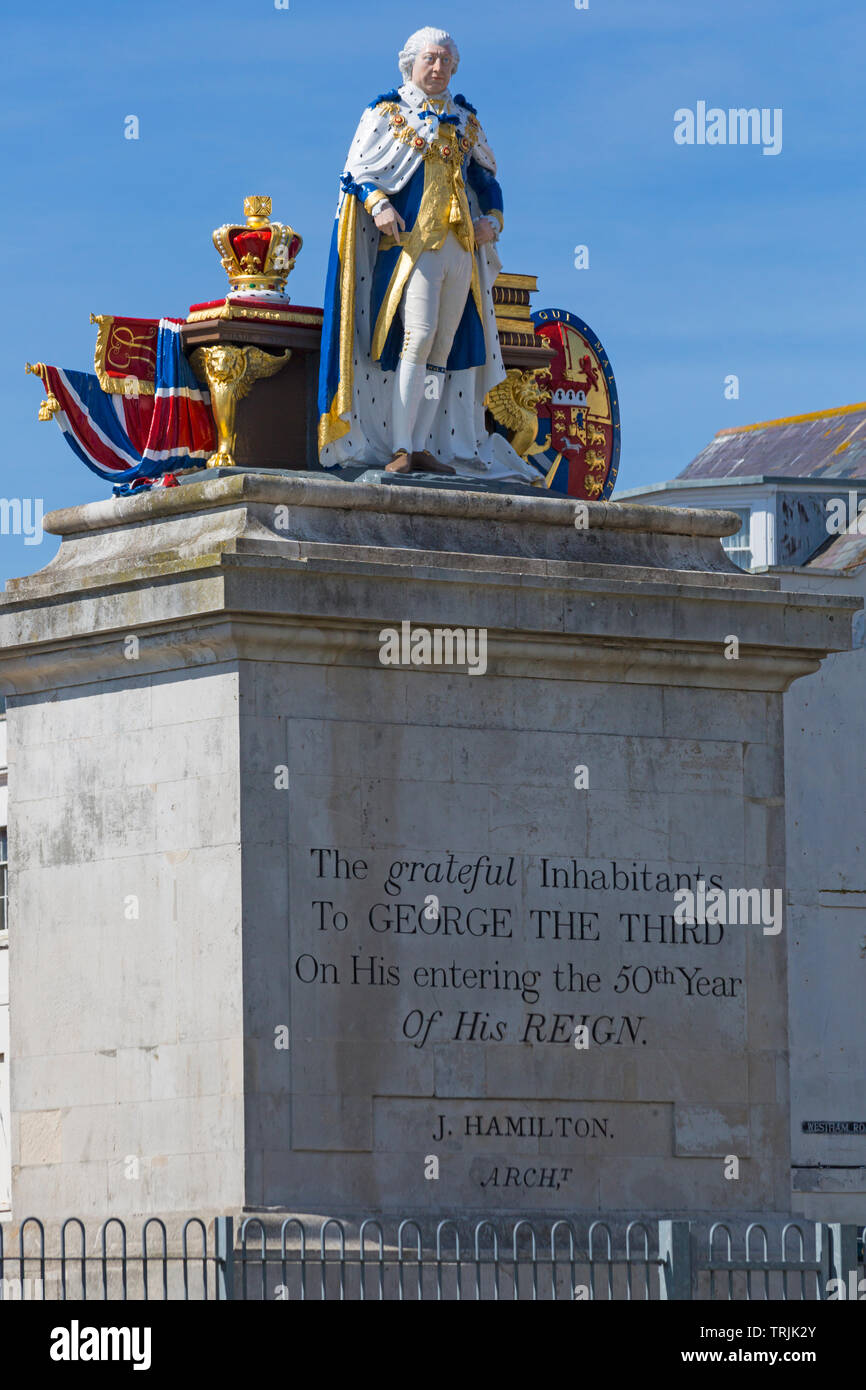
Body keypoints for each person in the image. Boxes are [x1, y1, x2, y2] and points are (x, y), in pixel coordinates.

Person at [318, 25, 540, 483]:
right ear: (411, 63)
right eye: (429, 60)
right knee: (417, 338)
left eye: (445, 61)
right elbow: (357, 173)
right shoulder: (387, 112)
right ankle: (401, 444)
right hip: (413, 247)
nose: (437, 68)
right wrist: (377, 203)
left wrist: (493, 221)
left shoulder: (465, 119)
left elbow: (487, 180)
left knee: (443, 347)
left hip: (460, 248)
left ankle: (422, 444)